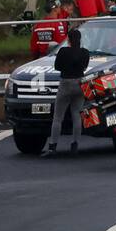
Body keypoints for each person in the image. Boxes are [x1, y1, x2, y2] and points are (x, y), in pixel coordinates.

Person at [45, 27, 91, 156]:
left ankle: (53, 146)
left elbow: (57, 67)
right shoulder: (85, 52)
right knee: (77, 114)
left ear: (68, 39)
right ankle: (75, 144)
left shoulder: (63, 51)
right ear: (80, 40)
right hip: (79, 83)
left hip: (65, 83)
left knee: (58, 117)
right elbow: (85, 67)